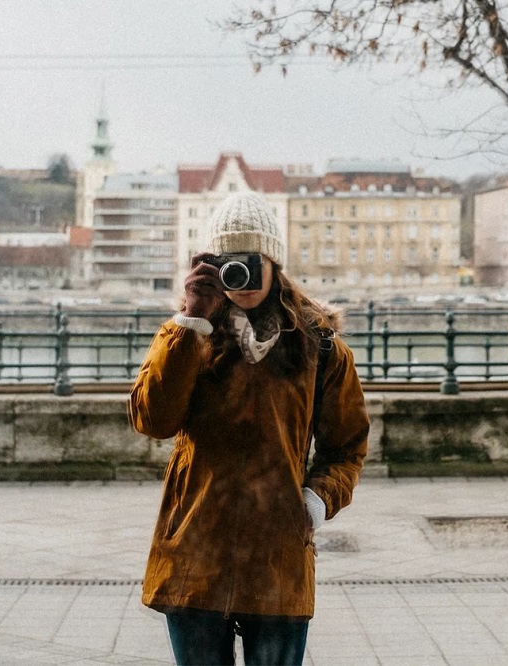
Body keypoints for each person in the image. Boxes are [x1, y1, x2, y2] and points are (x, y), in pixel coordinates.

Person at [128, 191, 369, 666]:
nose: (240, 276)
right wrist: (191, 319)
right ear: (211, 265)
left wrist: (316, 501)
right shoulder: (188, 334)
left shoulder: (319, 346)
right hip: (196, 554)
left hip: (278, 560)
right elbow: (152, 420)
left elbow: (347, 446)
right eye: (228, 263)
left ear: (273, 261)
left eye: (251, 261)